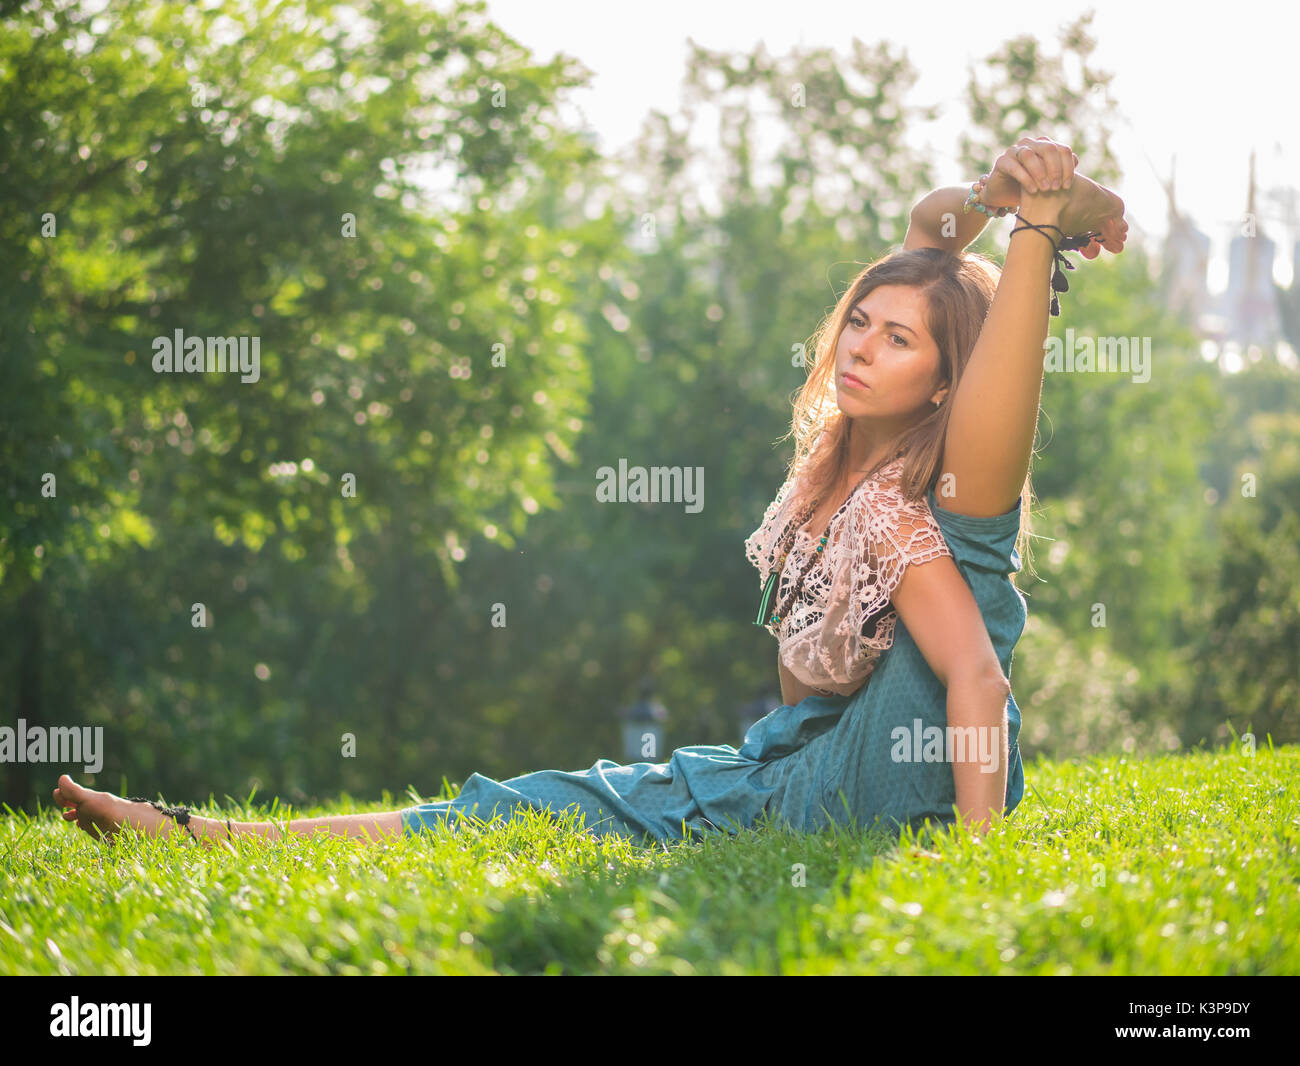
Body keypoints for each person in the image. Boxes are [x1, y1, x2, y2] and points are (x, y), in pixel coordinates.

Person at [53, 136, 1127, 850]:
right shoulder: (839, 467)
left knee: (965, 548)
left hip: (881, 779)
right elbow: (926, 237)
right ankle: (207, 832)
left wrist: (981, 855)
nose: (859, 345)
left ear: (940, 377)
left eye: (895, 342)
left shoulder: (904, 507)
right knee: (553, 801)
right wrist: (986, 192)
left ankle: (1042, 230)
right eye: (857, 320)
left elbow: (978, 678)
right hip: (816, 761)